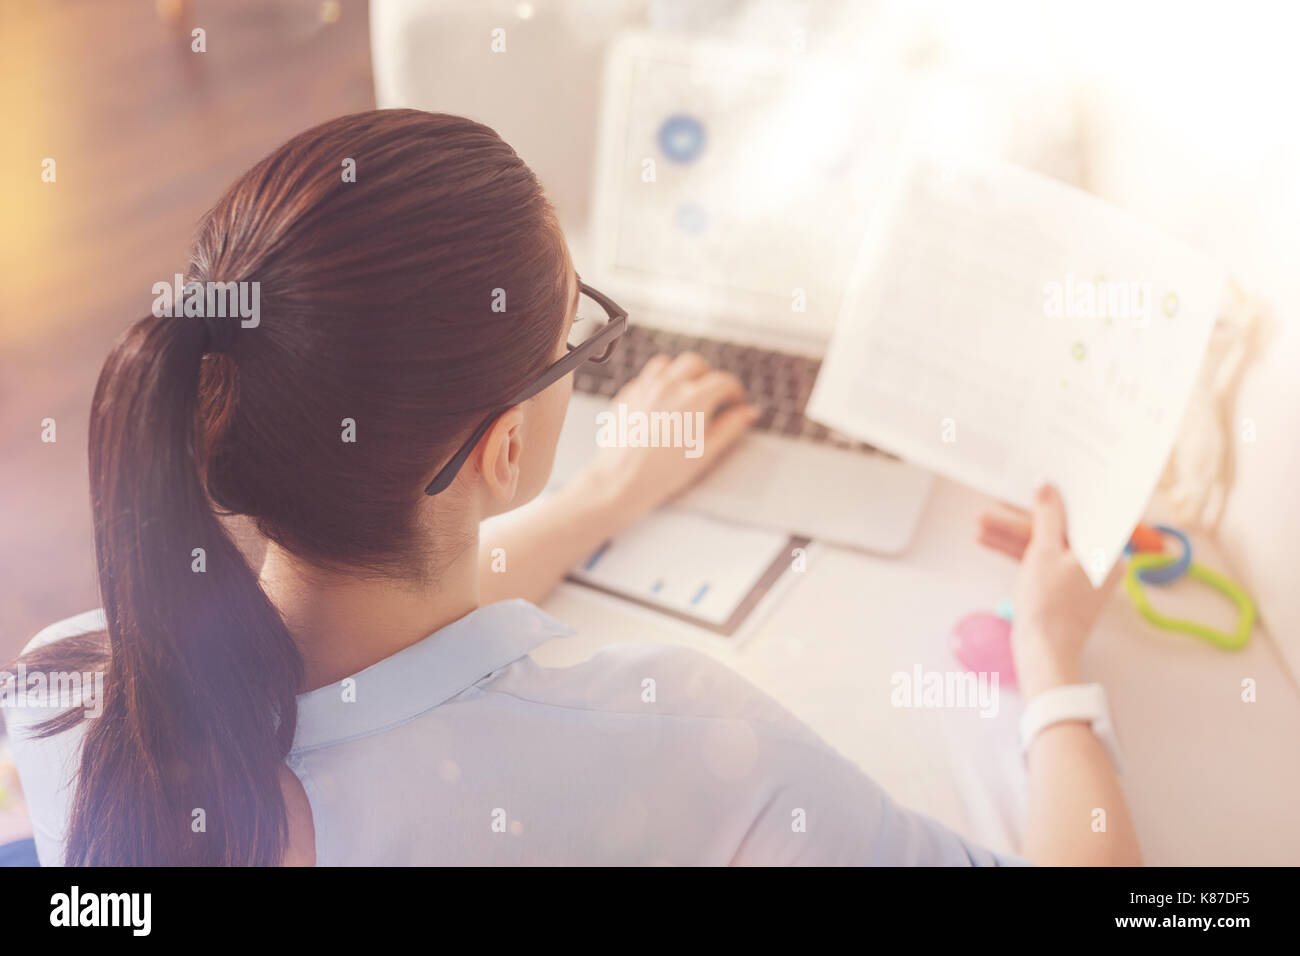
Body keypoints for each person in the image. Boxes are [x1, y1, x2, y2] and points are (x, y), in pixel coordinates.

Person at [2, 110, 1140, 866]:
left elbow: (378, 641)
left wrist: (602, 498)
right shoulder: (681, 736)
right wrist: (1052, 670)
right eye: (571, 332)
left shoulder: (72, 690)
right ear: (501, 449)